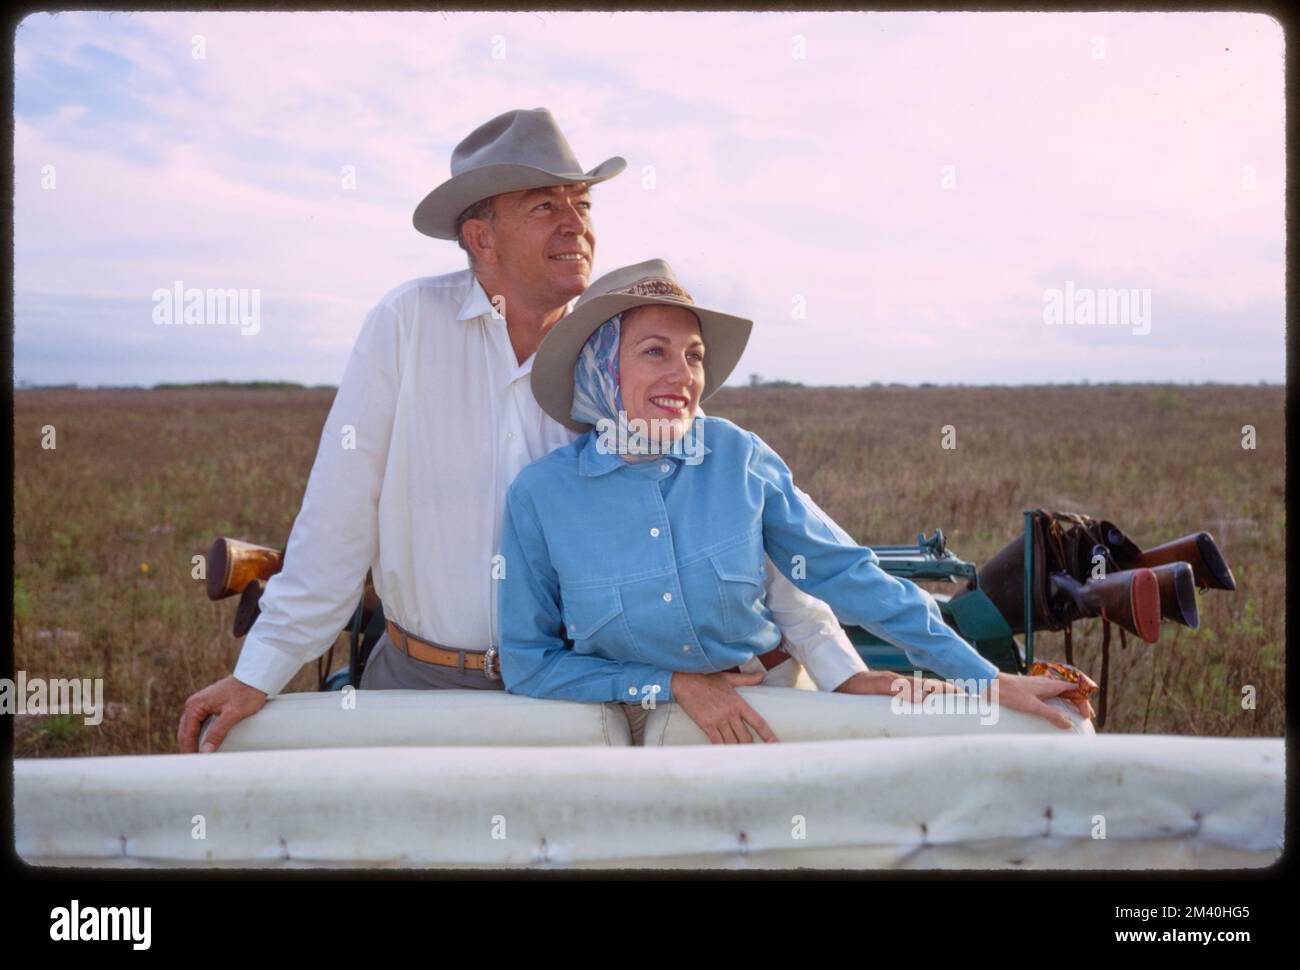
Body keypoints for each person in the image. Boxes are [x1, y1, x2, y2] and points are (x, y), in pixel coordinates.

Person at [177, 108, 875, 754]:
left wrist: (826, 665)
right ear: (480, 237)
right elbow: (338, 520)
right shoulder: (405, 326)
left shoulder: (618, 350)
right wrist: (258, 673)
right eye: (545, 206)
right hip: (420, 684)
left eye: (583, 204)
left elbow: (721, 519)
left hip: (578, 698)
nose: (575, 224)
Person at [498, 259, 1096, 743]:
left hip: (773, 710)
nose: (682, 375)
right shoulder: (543, 496)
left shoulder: (737, 457)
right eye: (655, 351)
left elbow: (847, 573)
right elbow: (531, 662)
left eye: (694, 356)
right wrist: (671, 683)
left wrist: (987, 682)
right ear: (603, 367)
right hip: (629, 732)